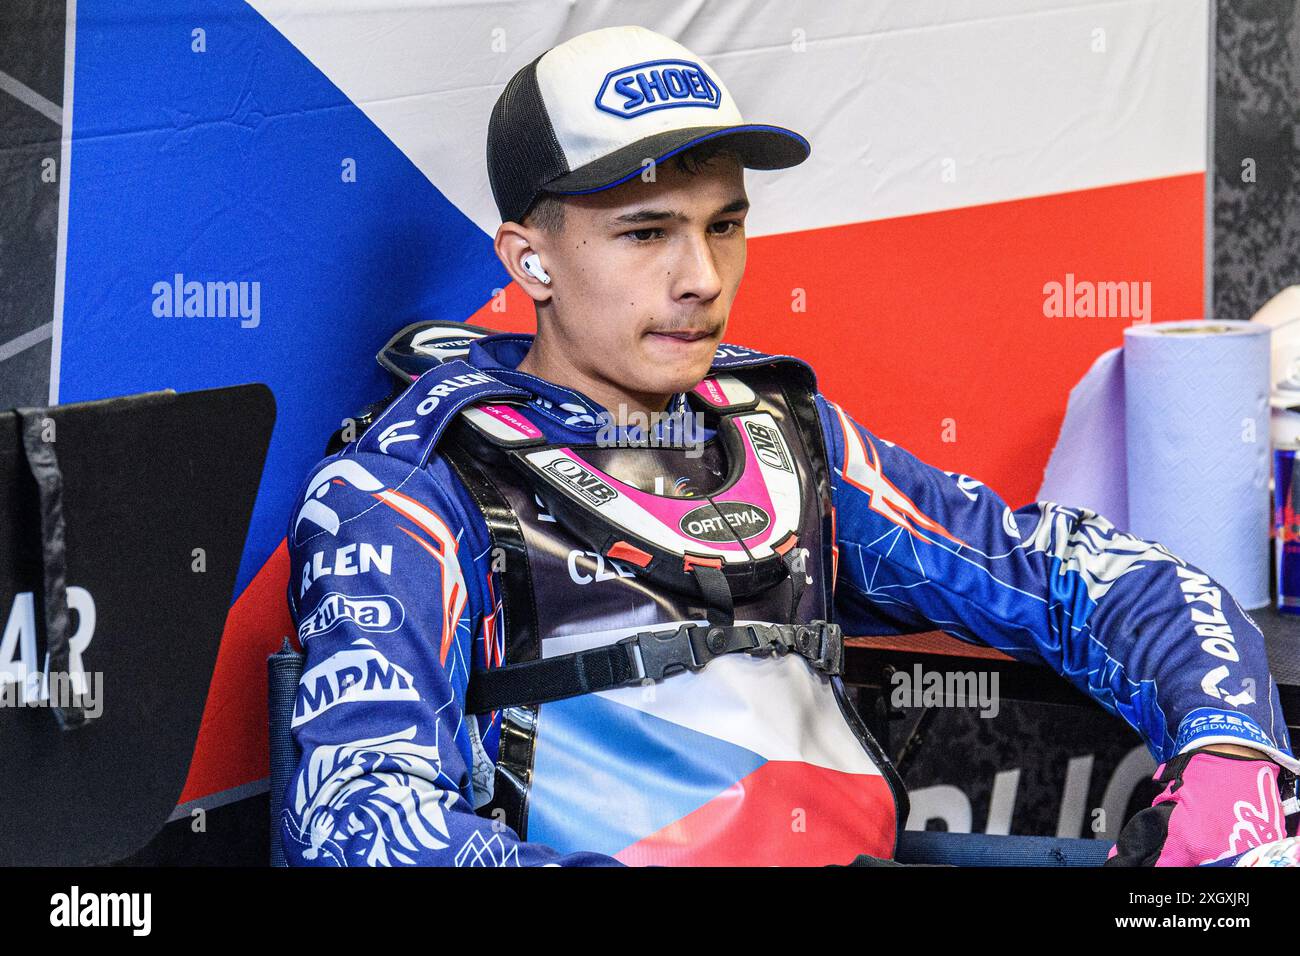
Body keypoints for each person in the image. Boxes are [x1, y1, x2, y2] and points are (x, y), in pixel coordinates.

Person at [281, 25, 1298, 867]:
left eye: (724, 226)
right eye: (647, 233)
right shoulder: (411, 489)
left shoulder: (782, 432)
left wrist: (1229, 748)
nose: (701, 278)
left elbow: (1082, 575)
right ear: (529, 258)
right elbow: (358, 822)